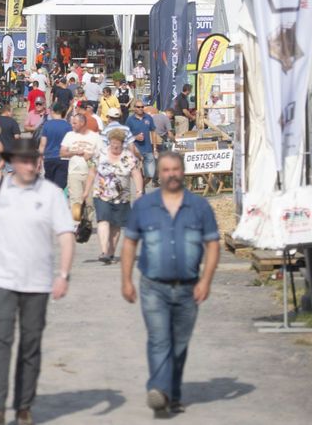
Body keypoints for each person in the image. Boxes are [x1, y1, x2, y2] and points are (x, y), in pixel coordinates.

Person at [0, 140, 75, 425]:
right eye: (22, 160)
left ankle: (24, 405)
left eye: (32, 160)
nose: (27, 165)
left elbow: (65, 234)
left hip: (37, 283)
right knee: (0, 340)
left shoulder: (50, 193)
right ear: (12, 161)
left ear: (38, 162)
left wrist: (63, 274)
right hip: (2, 279)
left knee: (30, 343)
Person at [121, 151, 221, 416]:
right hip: (153, 286)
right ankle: (159, 390)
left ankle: (172, 394)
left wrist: (206, 281)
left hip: (189, 287)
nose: (171, 174)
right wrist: (126, 280)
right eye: (166, 170)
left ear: (183, 171)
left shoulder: (200, 207)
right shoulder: (144, 207)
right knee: (159, 339)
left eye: (176, 169)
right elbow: (130, 243)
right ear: (159, 173)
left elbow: (212, 245)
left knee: (179, 343)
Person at [84, 128, 144, 265]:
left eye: (118, 142)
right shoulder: (101, 154)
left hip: (121, 196)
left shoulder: (128, 156)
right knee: (103, 220)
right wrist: (86, 191)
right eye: (113, 142)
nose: (115, 145)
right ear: (109, 142)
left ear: (123, 143)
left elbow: (136, 174)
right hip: (101, 194)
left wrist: (139, 192)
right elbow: (92, 172)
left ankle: (111, 252)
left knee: (116, 226)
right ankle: (104, 250)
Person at [60, 111, 103, 222]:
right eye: (72, 123)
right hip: (74, 173)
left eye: (75, 123)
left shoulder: (95, 137)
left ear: (82, 123)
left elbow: (103, 154)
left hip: (91, 174)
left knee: (89, 202)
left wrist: (92, 154)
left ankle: (87, 223)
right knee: (75, 200)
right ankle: (76, 224)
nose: (72, 125)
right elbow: (62, 153)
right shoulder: (69, 135)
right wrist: (74, 152)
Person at [38, 102, 72, 192]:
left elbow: (42, 144)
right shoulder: (68, 126)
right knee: (60, 185)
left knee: (49, 183)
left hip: (49, 157)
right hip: (63, 159)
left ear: (53, 112)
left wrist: (38, 160)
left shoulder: (47, 125)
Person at [126, 99, 158, 183]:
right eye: (138, 107)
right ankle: (140, 192)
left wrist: (154, 148)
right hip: (136, 151)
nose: (141, 108)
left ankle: (141, 187)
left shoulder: (148, 117)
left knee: (150, 174)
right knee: (139, 175)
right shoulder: (130, 120)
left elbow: (153, 132)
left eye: (142, 107)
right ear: (134, 108)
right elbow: (126, 136)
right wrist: (135, 137)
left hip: (148, 149)